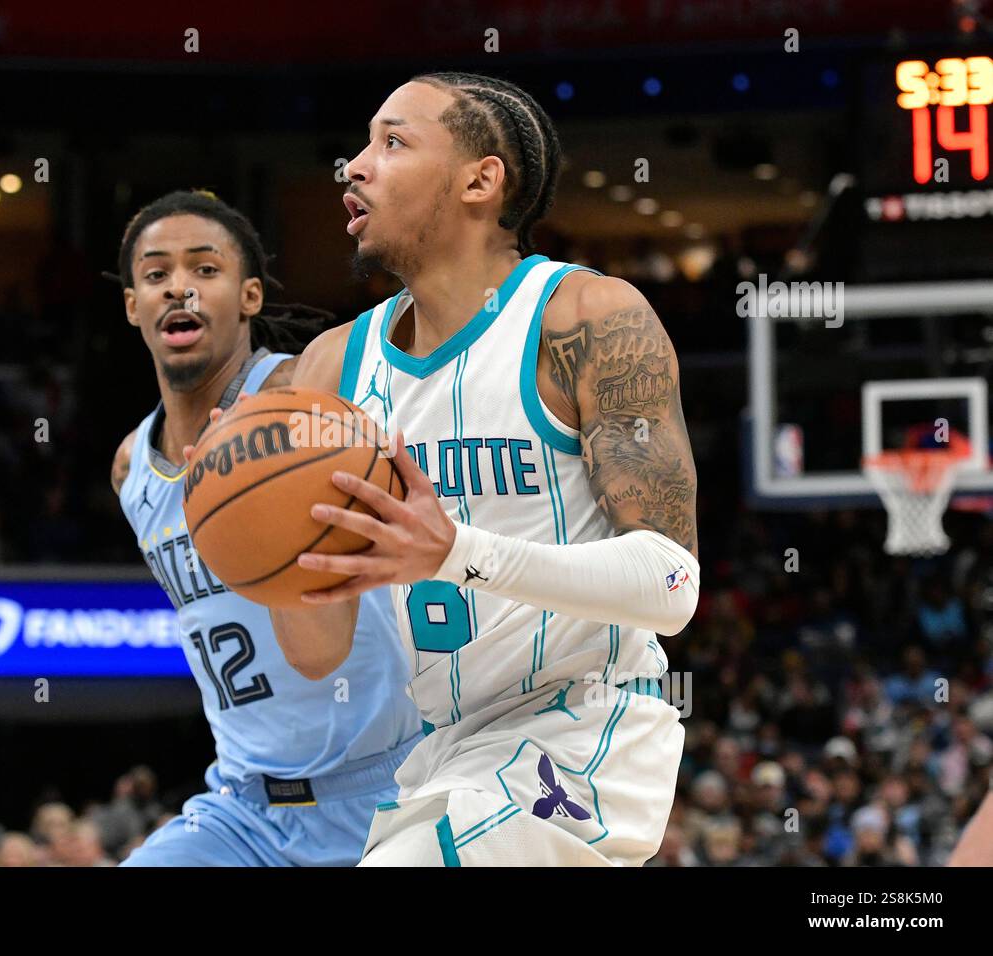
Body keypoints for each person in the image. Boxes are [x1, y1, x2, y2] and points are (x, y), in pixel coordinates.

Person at [264, 72, 700, 865]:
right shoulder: (331, 368)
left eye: (392, 142)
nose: (354, 166)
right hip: (446, 751)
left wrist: (458, 554)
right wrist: (251, 528)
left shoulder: (586, 318)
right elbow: (316, 650)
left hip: (587, 731)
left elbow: (673, 588)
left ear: (480, 179)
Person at [109, 190, 421, 866]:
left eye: (205, 270)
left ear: (250, 296)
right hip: (243, 809)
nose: (179, 288)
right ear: (133, 305)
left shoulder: (306, 398)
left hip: (390, 790)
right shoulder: (131, 465)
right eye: (156, 274)